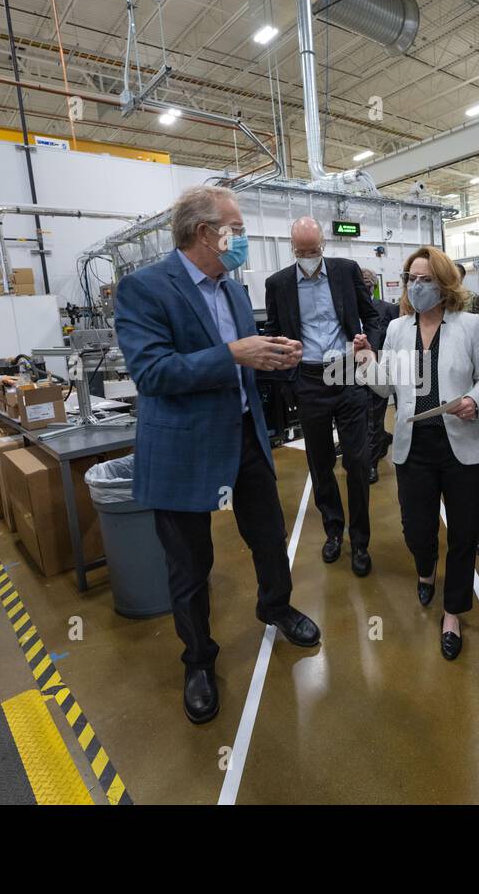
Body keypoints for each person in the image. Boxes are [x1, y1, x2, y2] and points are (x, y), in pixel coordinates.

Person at [114, 186, 321, 725]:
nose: (244, 236)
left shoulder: (231, 292)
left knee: (269, 537)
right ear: (205, 232)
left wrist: (272, 357)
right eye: (236, 226)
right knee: (189, 565)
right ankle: (199, 660)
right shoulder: (144, 289)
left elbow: (240, 363)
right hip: (183, 445)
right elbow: (152, 373)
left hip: (245, 435)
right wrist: (233, 352)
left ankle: (275, 606)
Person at [357, 246, 479, 661]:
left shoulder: (469, 325)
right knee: (416, 528)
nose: (417, 286)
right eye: (411, 279)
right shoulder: (399, 329)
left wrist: (475, 399)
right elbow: (385, 388)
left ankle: (453, 612)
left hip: (462, 445)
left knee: (463, 534)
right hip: (413, 446)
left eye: (425, 279)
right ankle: (425, 568)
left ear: (444, 283)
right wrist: (364, 360)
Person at [263, 216, 379, 575]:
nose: (308, 258)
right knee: (320, 462)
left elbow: (372, 317)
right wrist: (288, 377)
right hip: (309, 380)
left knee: (358, 462)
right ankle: (333, 531)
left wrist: (367, 343)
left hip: (346, 375)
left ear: (323, 246)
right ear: (292, 249)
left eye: (313, 251)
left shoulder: (346, 272)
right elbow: (273, 331)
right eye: (302, 252)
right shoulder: (278, 283)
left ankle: (360, 541)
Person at [361, 266, 400, 484]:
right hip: (351, 371)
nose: (365, 288)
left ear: (374, 287)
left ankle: (371, 464)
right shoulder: (348, 310)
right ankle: (381, 442)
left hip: (380, 371)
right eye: (362, 284)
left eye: (368, 285)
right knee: (361, 419)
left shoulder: (389, 310)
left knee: (374, 419)